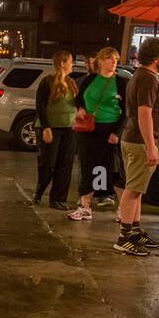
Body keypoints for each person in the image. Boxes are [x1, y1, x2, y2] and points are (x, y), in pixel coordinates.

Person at [114, 37, 159, 257]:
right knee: (133, 189)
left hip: (135, 139)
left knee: (137, 188)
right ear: (157, 57)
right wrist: (151, 145)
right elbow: (144, 112)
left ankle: (135, 231)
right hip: (141, 141)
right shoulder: (147, 78)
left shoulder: (143, 76)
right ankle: (124, 238)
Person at [68, 47, 128, 220]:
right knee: (88, 166)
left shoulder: (121, 82)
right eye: (109, 58)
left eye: (115, 59)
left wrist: (117, 132)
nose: (113, 62)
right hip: (89, 129)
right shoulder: (91, 79)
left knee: (114, 170)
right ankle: (85, 206)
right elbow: (78, 98)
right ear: (100, 61)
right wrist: (79, 108)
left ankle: (124, 209)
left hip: (110, 130)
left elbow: (126, 111)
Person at [32, 51, 78, 209]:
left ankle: (58, 199)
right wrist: (46, 127)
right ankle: (39, 191)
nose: (73, 64)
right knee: (48, 164)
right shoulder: (47, 82)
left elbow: (77, 104)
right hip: (50, 128)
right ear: (62, 63)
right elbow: (40, 105)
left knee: (65, 164)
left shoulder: (71, 82)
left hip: (69, 129)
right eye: (71, 61)